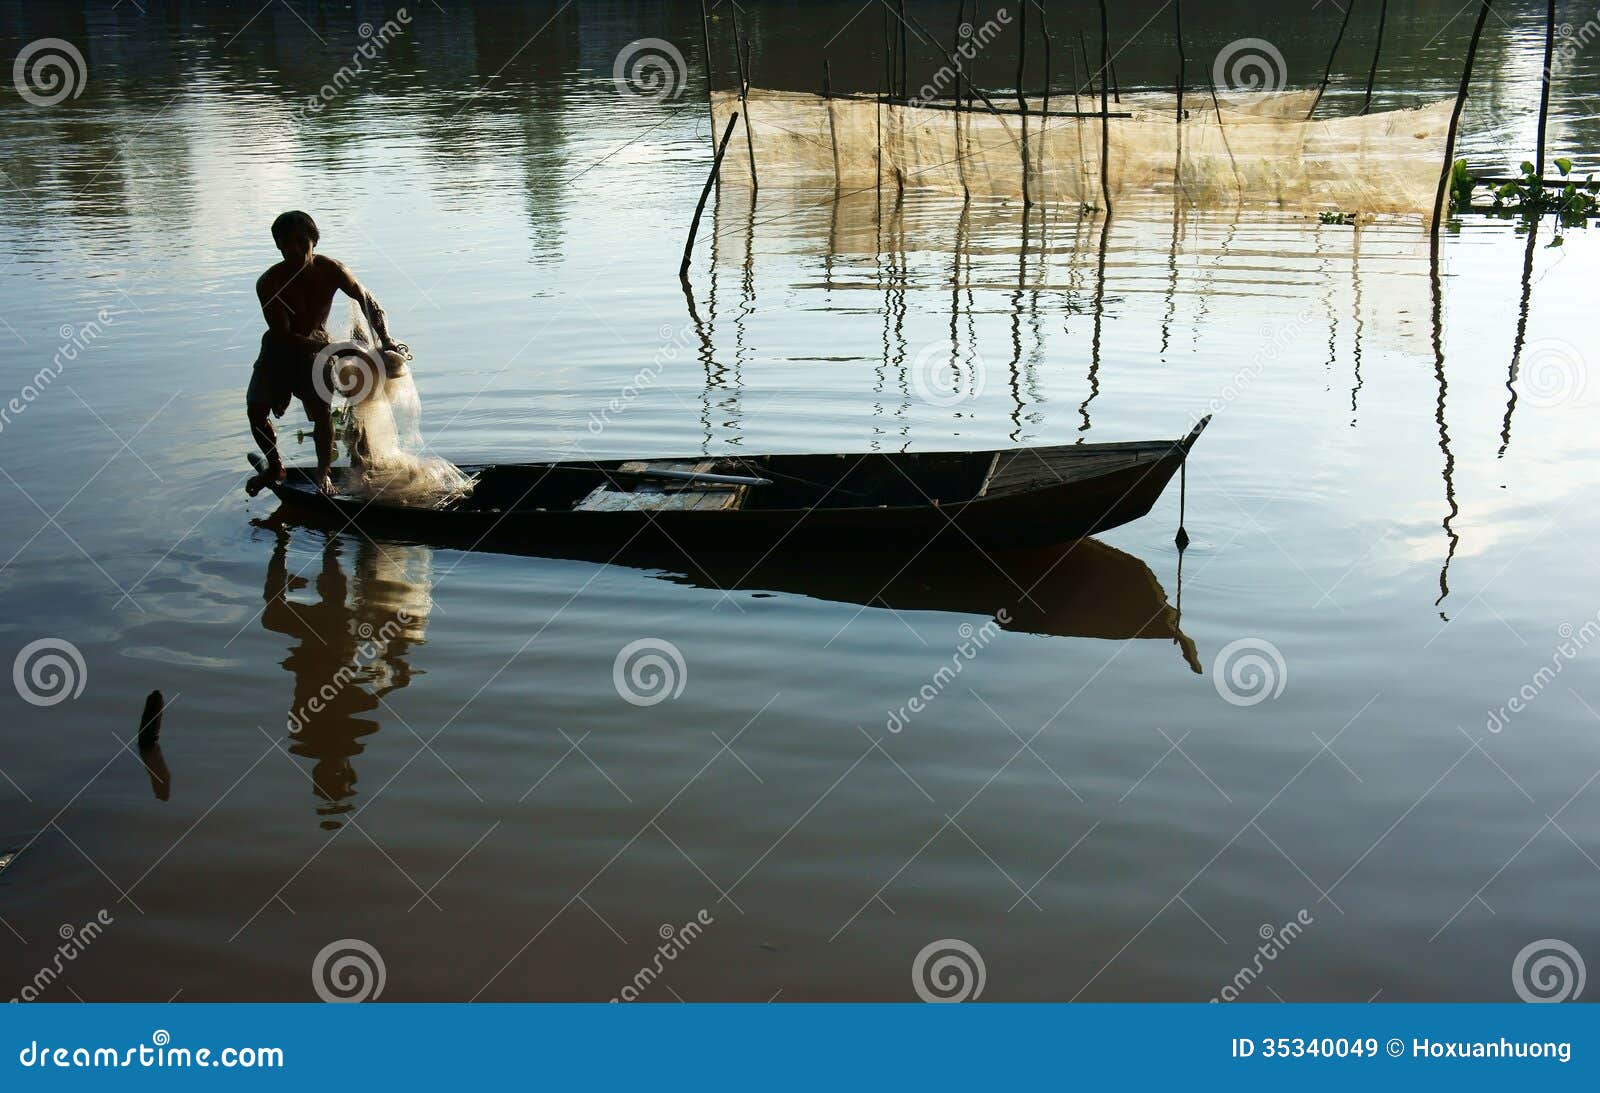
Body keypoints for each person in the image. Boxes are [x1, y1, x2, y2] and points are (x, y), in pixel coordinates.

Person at [245, 210, 408, 497]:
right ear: (278, 247)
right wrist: (333, 348)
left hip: (316, 352)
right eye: (285, 244)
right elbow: (283, 336)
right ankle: (276, 466)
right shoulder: (269, 283)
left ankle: (323, 474)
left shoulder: (332, 270)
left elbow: (367, 300)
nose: (293, 250)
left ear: (314, 241)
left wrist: (386, 340)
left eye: (300, 242)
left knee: (321, 413)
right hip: (277, 352)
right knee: (256, 410)